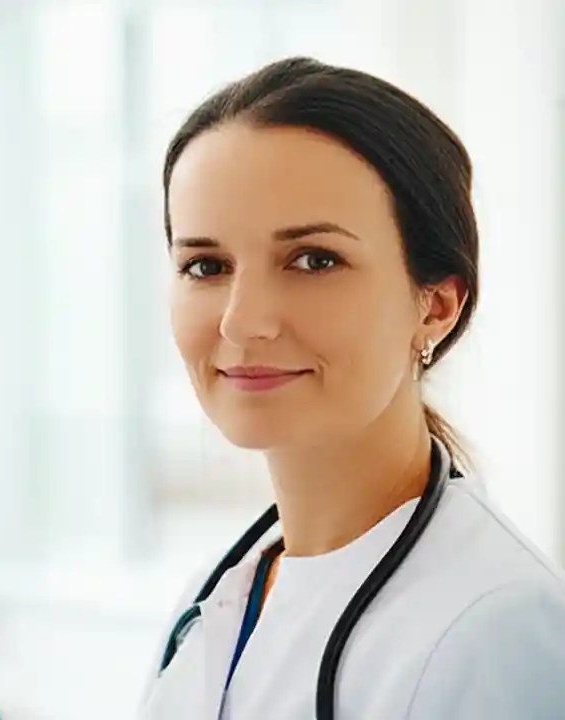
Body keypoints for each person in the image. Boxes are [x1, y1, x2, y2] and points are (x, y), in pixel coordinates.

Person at [139, 56, 565, 719]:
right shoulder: (220, 595)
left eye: (314, 260)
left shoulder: (495, 629)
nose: (242, 321)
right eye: (207, 264)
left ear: (436, 305)